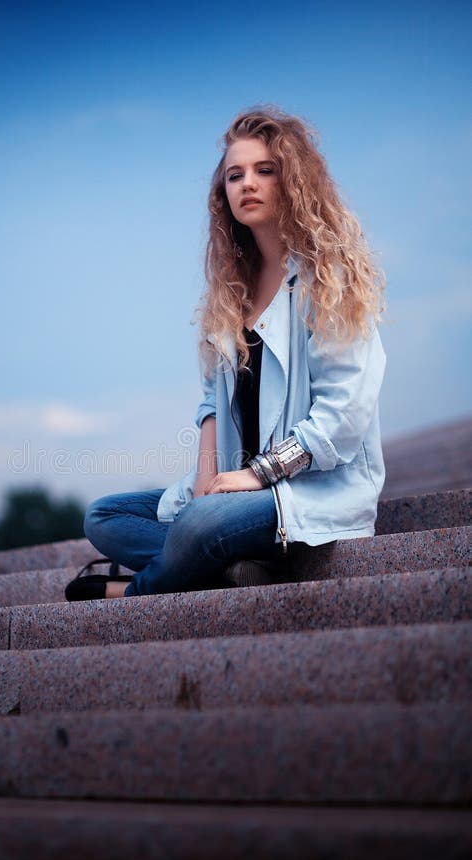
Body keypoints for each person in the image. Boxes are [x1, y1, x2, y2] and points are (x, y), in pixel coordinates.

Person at [65, 107, 386, 602]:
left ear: (293, 181)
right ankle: (231, 569)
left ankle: (131, 593)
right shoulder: (232, 291)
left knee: (201, 525)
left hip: (304, 491)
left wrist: (257, 474)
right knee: (105, 517)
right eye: (235, 175)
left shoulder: (329, 279)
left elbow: (343, 418)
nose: (247, 184)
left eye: (264, 170)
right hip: (234, 489)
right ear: (223, 193)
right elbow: (212, 402)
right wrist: (206, 479)